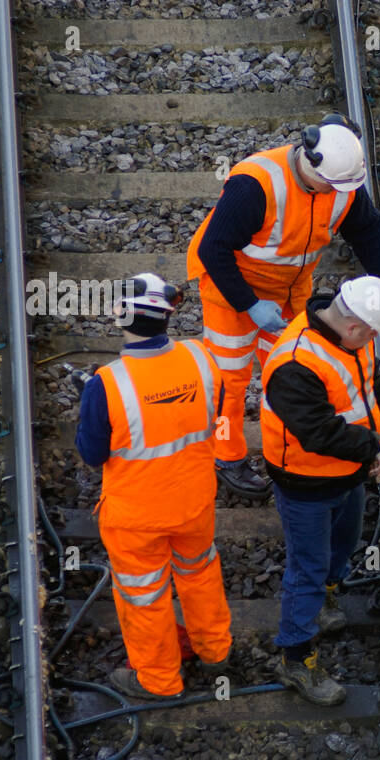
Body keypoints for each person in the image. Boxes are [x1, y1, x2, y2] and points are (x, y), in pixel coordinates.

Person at [187, 114, 380, 499]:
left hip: (290, 293)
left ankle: (301, 447)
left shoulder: (341, 181)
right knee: (229, 381)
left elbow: (367, 230)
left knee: (299, 373)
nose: (339, 193)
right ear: (312, 165)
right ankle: (226, 455)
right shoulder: (255, 185)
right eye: (333, 186)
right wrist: (250, 305)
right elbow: (213, 249)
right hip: (232, 292)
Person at [74, 273, 232, 700]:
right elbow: (209, 411)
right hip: (195, 500)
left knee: (144, 595)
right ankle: (215, 650)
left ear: (119, 316)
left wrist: (89, 399)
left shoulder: (106, 385)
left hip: (137, 517)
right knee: (199, 571)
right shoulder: (202, 358)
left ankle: (159, 680)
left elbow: (92, 453)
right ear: (169, 314)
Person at [260, 275, 380, 705]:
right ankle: (295, 657)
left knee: (342, 542)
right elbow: (318, 432)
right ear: (357, 327)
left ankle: (327, 595)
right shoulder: (295, 364)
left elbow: (367, 378)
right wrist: (371, 450)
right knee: (307, 567)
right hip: (305, 482)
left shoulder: (346, 340)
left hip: (345, 475)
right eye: (373, 334)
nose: (373, 342)